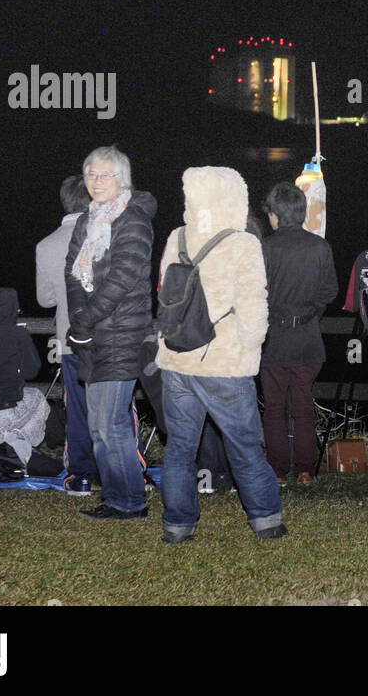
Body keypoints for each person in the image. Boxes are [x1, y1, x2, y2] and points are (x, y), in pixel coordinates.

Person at [156, 166, 286, 542]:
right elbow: (254, 309)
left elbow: (164, 293)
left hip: (175, 359)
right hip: (224, 364)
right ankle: (265, 520)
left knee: (180, 450)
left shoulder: (176, 236)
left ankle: (178, 526)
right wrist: (249, 353)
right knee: (244, 446)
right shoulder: (242, 242)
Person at [65, 146, 156, 521]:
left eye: (105, 175)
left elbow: (122, 278)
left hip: (122, 333)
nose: (96, 181)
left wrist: (87, 319)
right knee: (98, 425)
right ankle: (117, 496)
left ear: (123, 179)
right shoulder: (87, 221)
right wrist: (80, 322)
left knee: (112, 424)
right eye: (90, 175)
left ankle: (129, 501)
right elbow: (73, 272)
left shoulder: (133, 219)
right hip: (93, 335)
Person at [259, 182, 338, 484]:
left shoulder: (265, 248)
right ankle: (306, 470)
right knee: (304, 406)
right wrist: (311, 314)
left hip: (274, 341)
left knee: (274, 408)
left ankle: (277, 471)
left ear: (276, 215)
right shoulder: (320, 247)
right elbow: (329, 290)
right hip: (307, 339)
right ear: (302, 213)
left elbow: (256, 292)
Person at [0, 288, 61, 477]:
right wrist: (17, 370)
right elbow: (32, 371)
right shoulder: (17, 334)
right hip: (0, 415)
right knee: (38, 398)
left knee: (27, 401)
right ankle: (17, 449)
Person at [36, 175, 95, 494]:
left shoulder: (46, 245)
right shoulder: (107, 237)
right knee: (115, 408)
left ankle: (81, 476)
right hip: (109, 339)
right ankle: (125, 472)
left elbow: (45, 299)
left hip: (70, 339)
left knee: (77, 409)